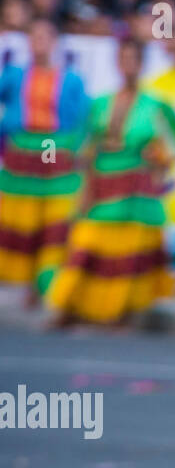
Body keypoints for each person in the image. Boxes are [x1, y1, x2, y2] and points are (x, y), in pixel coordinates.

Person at [45, 37, 175, 326]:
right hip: (102, 188)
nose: (129, 66)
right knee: (86, 246)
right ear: (117, 62)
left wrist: (162, 162)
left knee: (129, 257)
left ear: (142, 64)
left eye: (134, 60)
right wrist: (82, 184)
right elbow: (80, 146)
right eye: (124, 59)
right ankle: (70, 308)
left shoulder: (156, 106)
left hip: (138, 193)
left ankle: (119, 313)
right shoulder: (100, 104)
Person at [0, 18, 89, 303]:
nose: (39, 42)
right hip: (22, 152)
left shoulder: (71, 80)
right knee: (22, 220)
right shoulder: (14, 75)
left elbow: (83, 119)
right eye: (34, 36)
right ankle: (26, 283)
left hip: (54, 147)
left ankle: (47, 282)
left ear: (54, 42)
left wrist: (75, 151)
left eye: (45, 37)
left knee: (54, 221)